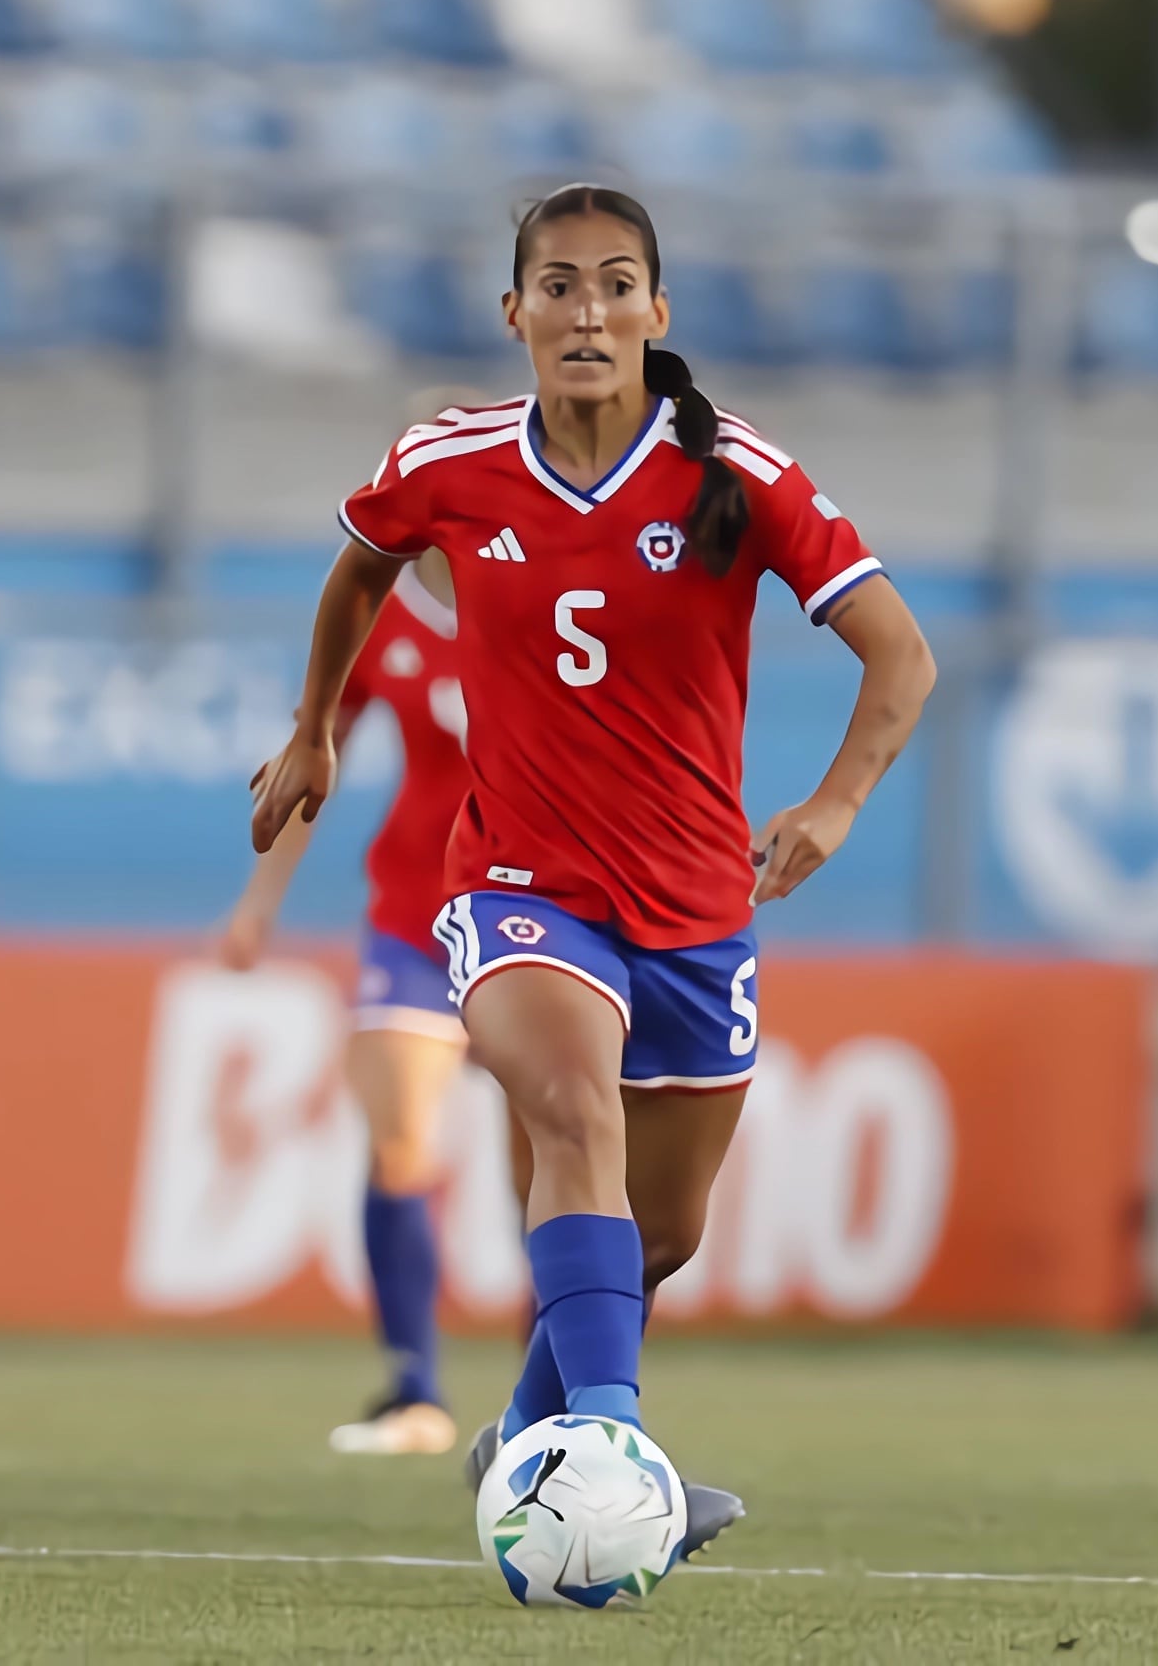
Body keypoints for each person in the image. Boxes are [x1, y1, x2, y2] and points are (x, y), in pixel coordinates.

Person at [251, 184, 938, 1563]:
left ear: (656, 314)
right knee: (570, 1115)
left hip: (696, 907)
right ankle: (620, 1460)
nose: (587, 310)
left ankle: (529, 1442)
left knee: (659, 1239)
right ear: (515, 313)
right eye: (558, 285)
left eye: (617, 284)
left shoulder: (734, 472)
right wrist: (314, 726)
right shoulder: (449, 459)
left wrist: (838, 803)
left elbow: (901, 654)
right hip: (517, 883)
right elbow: (360, 570)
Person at [218, 546, 470, 1456]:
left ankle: (556, 1396)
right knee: (401, 1140)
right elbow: (308, 764)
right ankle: (416, 1393)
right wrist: (258, 904)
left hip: (536, 908)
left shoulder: (557, 594)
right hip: (412, 917)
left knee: (550, 1160)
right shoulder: (381, 618)